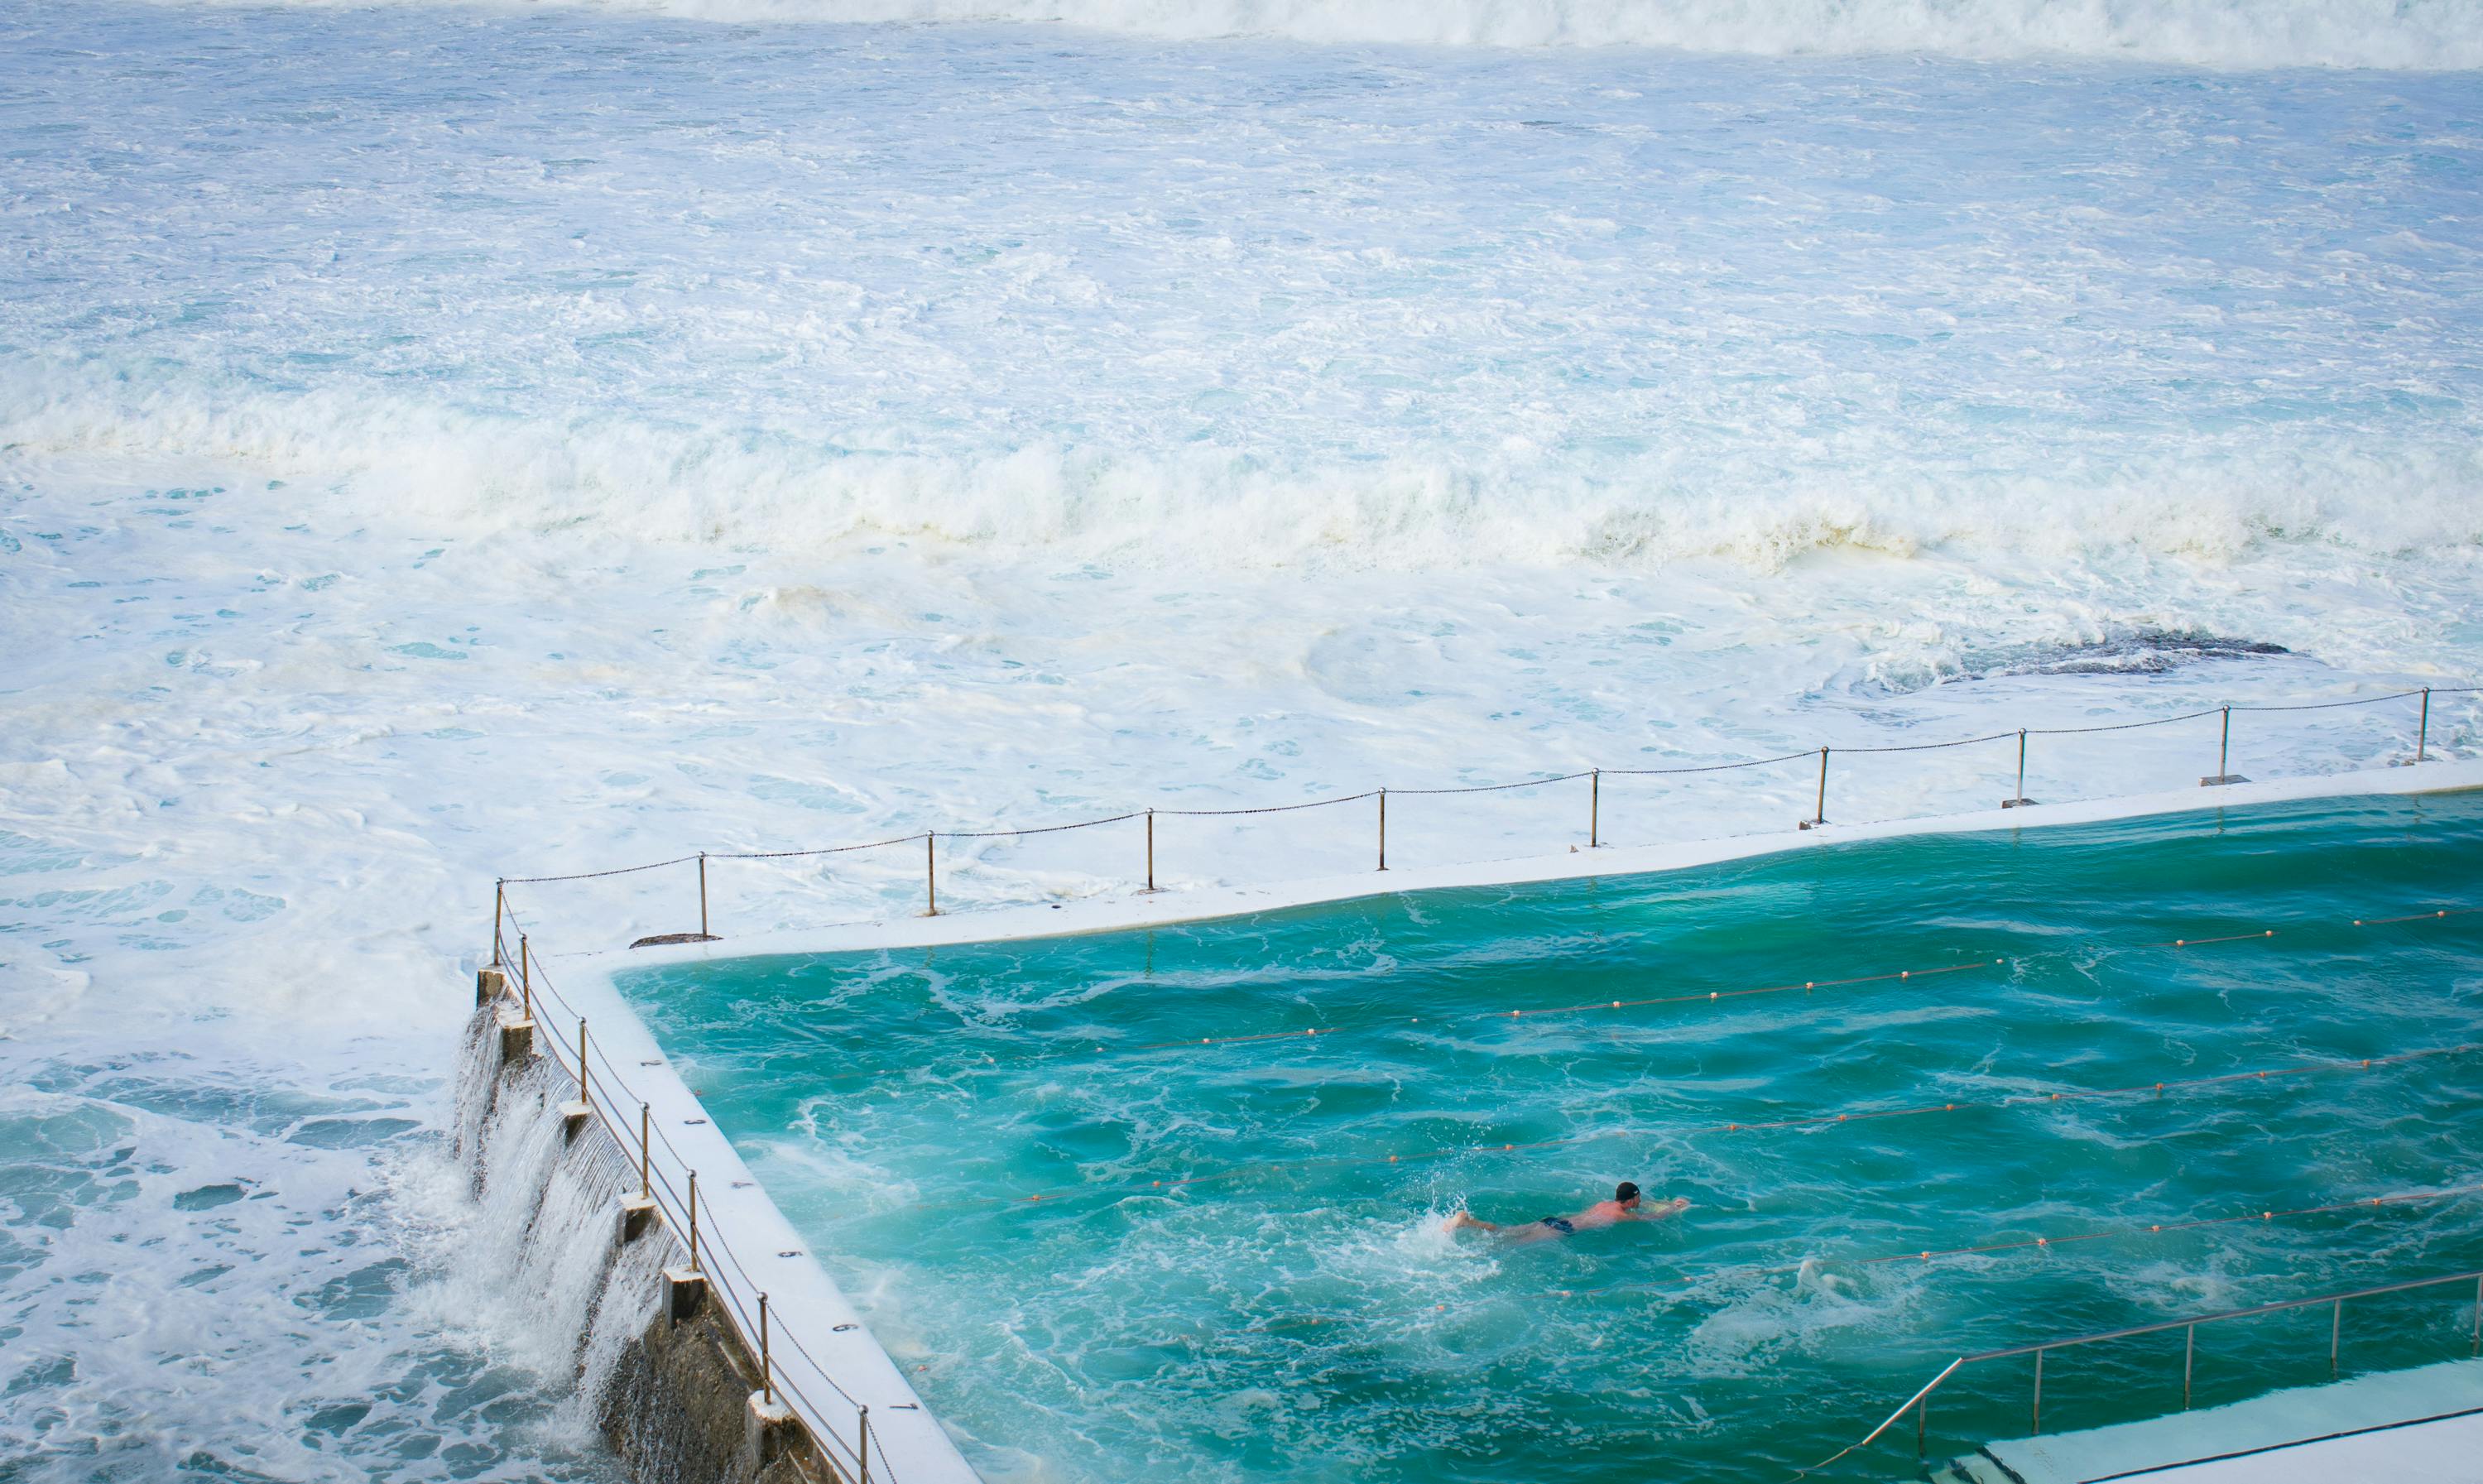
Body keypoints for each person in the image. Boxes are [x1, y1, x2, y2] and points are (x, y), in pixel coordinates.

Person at [1444, 1181, 1688, 1244]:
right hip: (1564, 1230)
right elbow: (1650, 1218)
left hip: (1556, 1221)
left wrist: (1660, 1201)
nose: (1641, 1200)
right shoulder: (1622, 1215)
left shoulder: (1605, 1205)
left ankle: (1466, 1222)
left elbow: (1643, 1206)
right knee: (1508, 1246)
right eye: (1639, 1197)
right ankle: (1470, 1253)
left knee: (1506, 1232)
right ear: (1633, 1198)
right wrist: (1673, 1208)